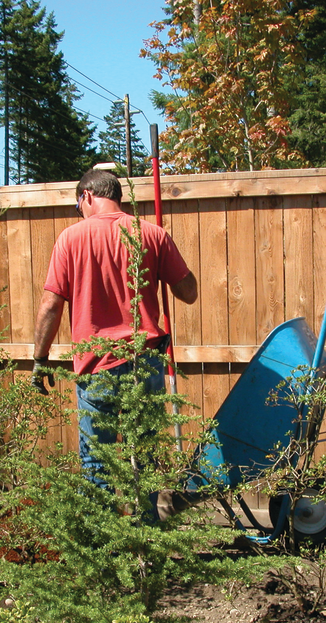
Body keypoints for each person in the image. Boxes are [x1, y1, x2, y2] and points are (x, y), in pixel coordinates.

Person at [32, 169, 198, 510]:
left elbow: (51, 305)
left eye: (78, 203)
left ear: (88, 196)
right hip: (145, 363)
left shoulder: (69, 239)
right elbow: (189, 292)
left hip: (96, 367)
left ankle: (101, 550)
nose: (79, 210)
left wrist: (40, 359)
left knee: (97, 463)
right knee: (146, 461)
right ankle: (149, 552)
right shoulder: (151, 234)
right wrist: (162, 260)